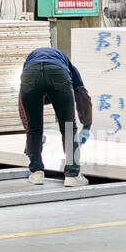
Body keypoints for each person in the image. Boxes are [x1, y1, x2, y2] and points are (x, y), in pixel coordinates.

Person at [17, 46, 93, 187]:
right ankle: (72, 175)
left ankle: (36, 173)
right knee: (68, 128)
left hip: (30, 76)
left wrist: (28, 131)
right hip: (58, 74)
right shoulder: (65, 64)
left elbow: (22, 106)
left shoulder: (29, 65)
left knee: (34, 128)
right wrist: (87, 124)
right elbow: (82, 94)